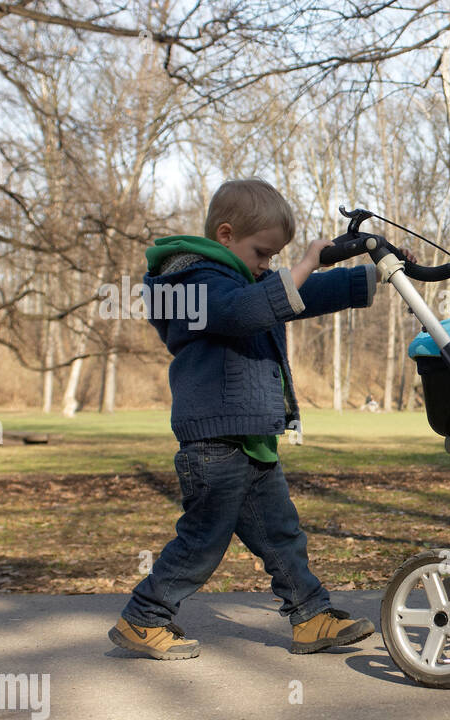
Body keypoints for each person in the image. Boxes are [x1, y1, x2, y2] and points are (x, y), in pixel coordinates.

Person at [109, 178, 378, 660]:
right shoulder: (190, 281)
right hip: (213, 442)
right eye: (262, 253)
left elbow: (300, 295)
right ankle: (142, 619)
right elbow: (242, 311)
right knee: (203, 540)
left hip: (249, 437)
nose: (267, 265)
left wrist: (370, 277)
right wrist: (303, 263)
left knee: (281, 533)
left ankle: (310, 615)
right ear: (227, 235)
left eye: (273, 258)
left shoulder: (238, 280)